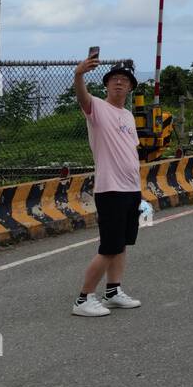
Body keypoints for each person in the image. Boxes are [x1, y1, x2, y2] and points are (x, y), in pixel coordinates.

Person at [70, 58, 143, 317]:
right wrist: (79, 75)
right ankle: (83, 298)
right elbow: (83, 97)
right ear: (107, 85)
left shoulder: (128, 116)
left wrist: (138, 189)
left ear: (131, 87)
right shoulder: (97, 108)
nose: (120, 82)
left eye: (125, 80)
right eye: (114, 79)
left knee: (122, 243)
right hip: (110, 188)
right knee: (109, 246)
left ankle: (113, 291)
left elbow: (130, 152)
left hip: (131, 188)